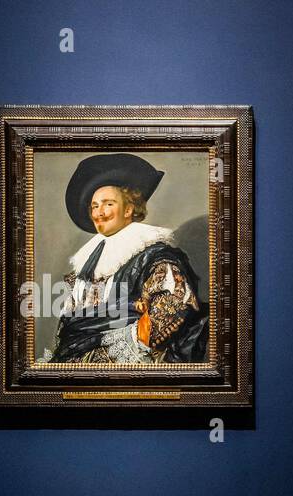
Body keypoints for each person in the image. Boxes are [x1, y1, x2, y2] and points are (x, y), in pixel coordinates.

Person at [47, 153, 208, 364]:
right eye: (94, 206)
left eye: (108, 204)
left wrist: (120, 344)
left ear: (129, 208)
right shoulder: (85, 263)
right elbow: (69, 320)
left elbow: (172, 306)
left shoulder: (155, 256)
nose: (99, 212)